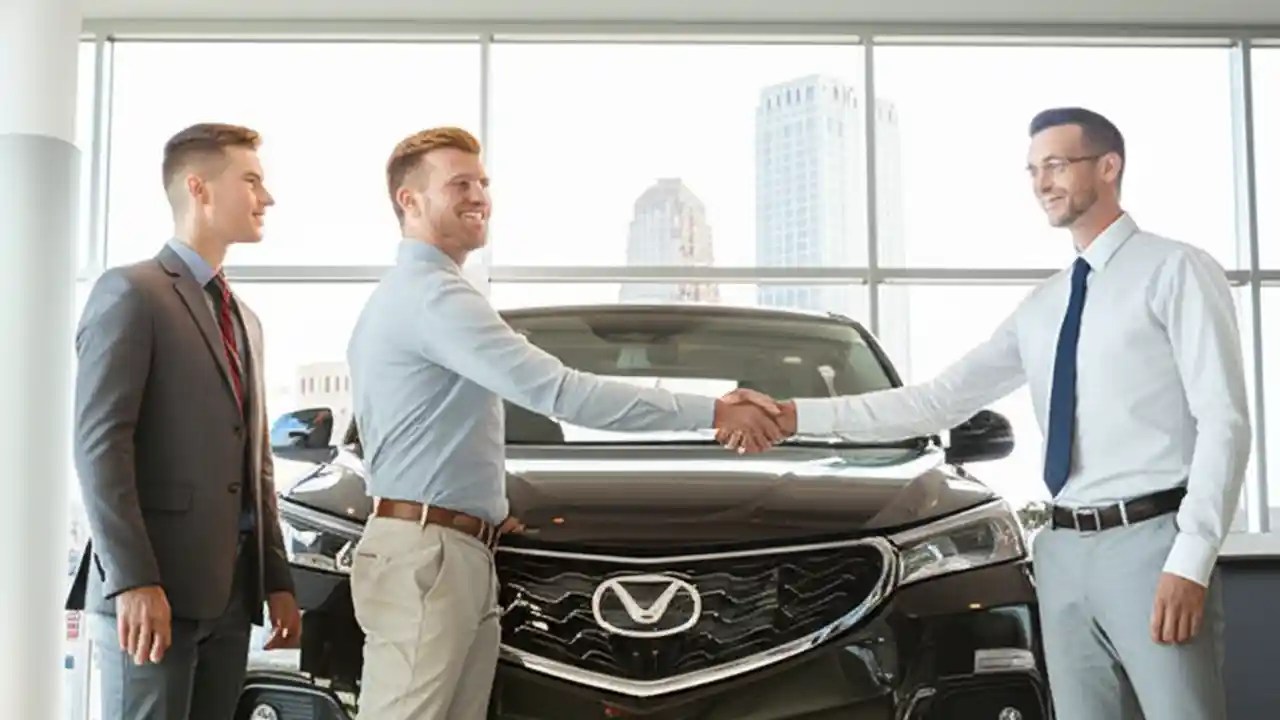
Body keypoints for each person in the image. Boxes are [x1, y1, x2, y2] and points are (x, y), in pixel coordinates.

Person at [724, 107, 1249, 719]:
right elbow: (937, 399)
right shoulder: (1043, 305)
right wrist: (792, 416)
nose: (1041, 182)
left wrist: (1191, 558)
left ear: (1109, 166)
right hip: (1061, 553)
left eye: (1056, 164)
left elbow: (1225, 420)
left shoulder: (1176, 270)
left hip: (1152, 545)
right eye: (1032, 170)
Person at [345, 126, 784, 719]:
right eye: (459, 184)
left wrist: (485, 513)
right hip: (431, 559)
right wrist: (714, 409)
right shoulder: (435, 299)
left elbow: (428, 432)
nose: (479, 196)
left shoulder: (420, 295)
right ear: (410, 200)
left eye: (482, 183)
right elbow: (562, 392)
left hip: (451, 549)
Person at [67, 122, 303, 719]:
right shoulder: (131, 293)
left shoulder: (245, 319)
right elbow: (101, 447)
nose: (266, 198)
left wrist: (276, 578)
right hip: (152, 593)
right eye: (251, 180)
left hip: (229, 593)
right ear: (199, 188)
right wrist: (133, 579)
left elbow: (258, 467)